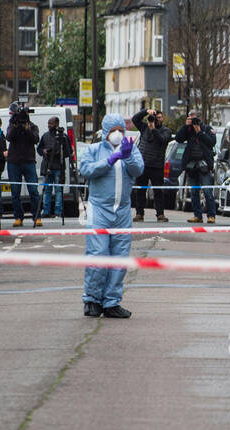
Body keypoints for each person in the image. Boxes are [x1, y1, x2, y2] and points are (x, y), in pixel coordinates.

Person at [78, 113, 143, 318]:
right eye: (113, 130)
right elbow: (86, 170)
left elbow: (138, 170)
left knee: (120, 258)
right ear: (106, 132)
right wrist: (111, 159)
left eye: (120, 130)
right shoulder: (93, 150)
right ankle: (92, 300)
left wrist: (128, 155)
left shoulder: (131, 149)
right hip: (99, 209)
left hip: (122, 210)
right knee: (98, 255)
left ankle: (111, 302)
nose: (117, 134)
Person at [131, 103, 173, 222]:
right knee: (140, 190)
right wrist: (146, 112)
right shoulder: (144, 128)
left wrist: (153, 128)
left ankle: (160, 214)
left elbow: (162, 140)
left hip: (157, 166)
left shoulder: (166, 131)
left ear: (162, 119)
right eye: (155, 117)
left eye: (159, 117)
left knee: (158, 191)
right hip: (143, 165)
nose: (156, 120)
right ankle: (139, 213)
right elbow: (134, 119)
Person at [175, 109, 217, 224]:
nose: (192, 120)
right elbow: (178, 138)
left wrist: (199, 131)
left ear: (199, 118)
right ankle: (197, 215)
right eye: (190, 117)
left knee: (207, 191)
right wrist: (185, 126)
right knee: (194, 192)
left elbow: (211, 142)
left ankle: (211, 215)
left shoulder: (207, 129)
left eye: (194, 118)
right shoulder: (188, 130)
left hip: (204, 165)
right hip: (191, 165)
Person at [5, 103, 42, 227]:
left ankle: (36, 217)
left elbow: (35, 139)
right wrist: (16, 126)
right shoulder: (12, 124)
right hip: (14, 162)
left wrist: (27, 128)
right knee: (15, 192)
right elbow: (9, 137)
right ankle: (18, 217)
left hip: (29, 161)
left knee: (33, 191)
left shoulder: (33, 126)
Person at [37, 116, 73, 219]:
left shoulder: (63, 137)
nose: (49, 126)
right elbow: (39, 149)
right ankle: (46, 210)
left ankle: (58, 211)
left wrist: (59, 153)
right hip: (47, 166)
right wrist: (44, 151)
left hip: (59, 167)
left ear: (57, 124)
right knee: (47, 190)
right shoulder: (45, 136)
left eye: (51, 124)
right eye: (48, 123)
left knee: (58, 190)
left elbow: (69, 152)